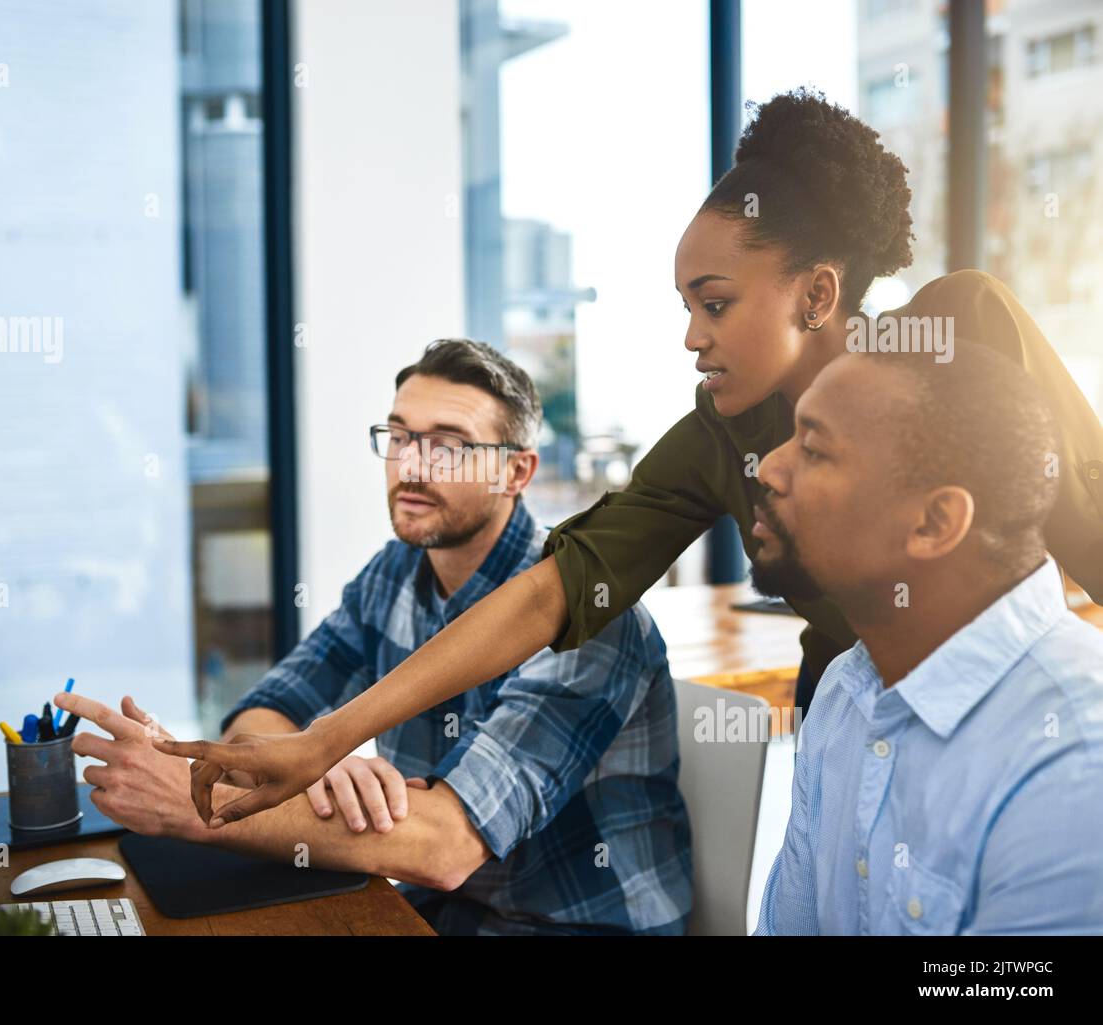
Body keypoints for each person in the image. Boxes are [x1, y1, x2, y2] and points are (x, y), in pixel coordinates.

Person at [149, 88, 1103, 823]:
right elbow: (555, 589)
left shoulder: (958, 331)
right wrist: (325, 741)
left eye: (715, 303)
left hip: (1009, 727)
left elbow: (1089, 524)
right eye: (685, 306)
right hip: (849, 736)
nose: (692, 336)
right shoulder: (717, 434)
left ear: (817, 294)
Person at [60, 340, 693, 935]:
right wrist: (315, 767)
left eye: (448, 445)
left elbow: (444, 844)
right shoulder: (393, 576)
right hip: (434, 913)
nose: (411, 465)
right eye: (399, 436)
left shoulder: (589, 616)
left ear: (517, 472)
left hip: (571, 925)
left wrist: (197, 805)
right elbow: (269, 710)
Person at [751, 343, 1103, 934]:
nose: (768, 468)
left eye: (813, 448)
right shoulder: (846, 691)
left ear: (935, 523)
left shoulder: (1075, 756)